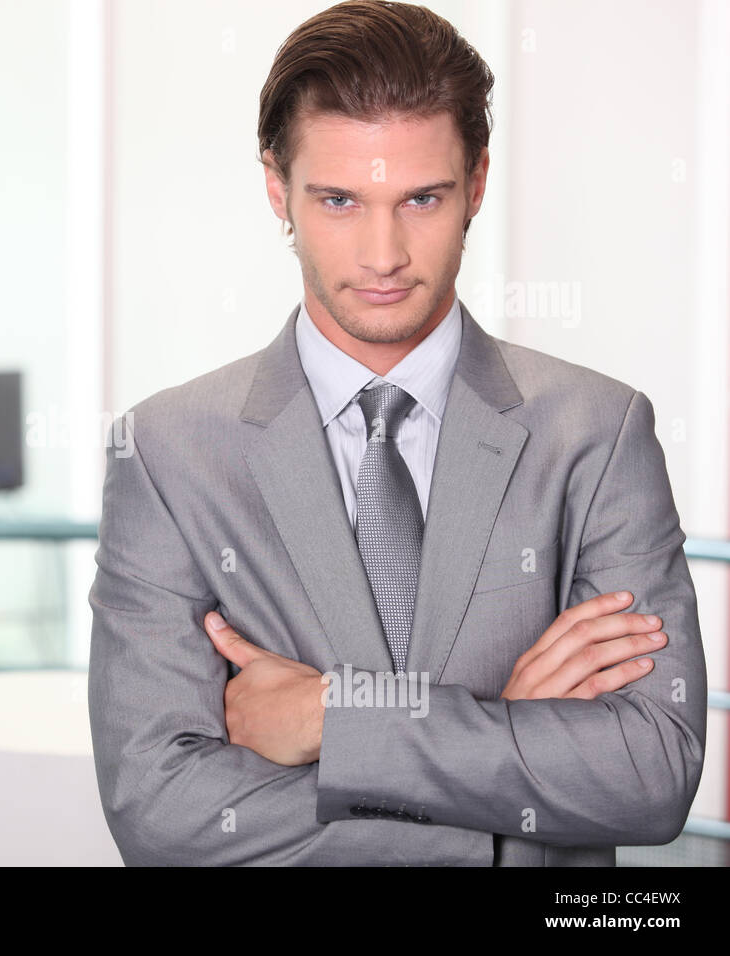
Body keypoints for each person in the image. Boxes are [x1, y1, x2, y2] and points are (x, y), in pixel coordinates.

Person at [86, 0, 707, 866]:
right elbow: (159, 813)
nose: (383, 254)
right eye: (339, 200)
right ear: (278, 191)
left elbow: (651, 774)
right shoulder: (167, 454)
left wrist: (336, 721)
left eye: (422, 198)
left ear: (477, 185)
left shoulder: (598, 436)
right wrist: (503, 761)